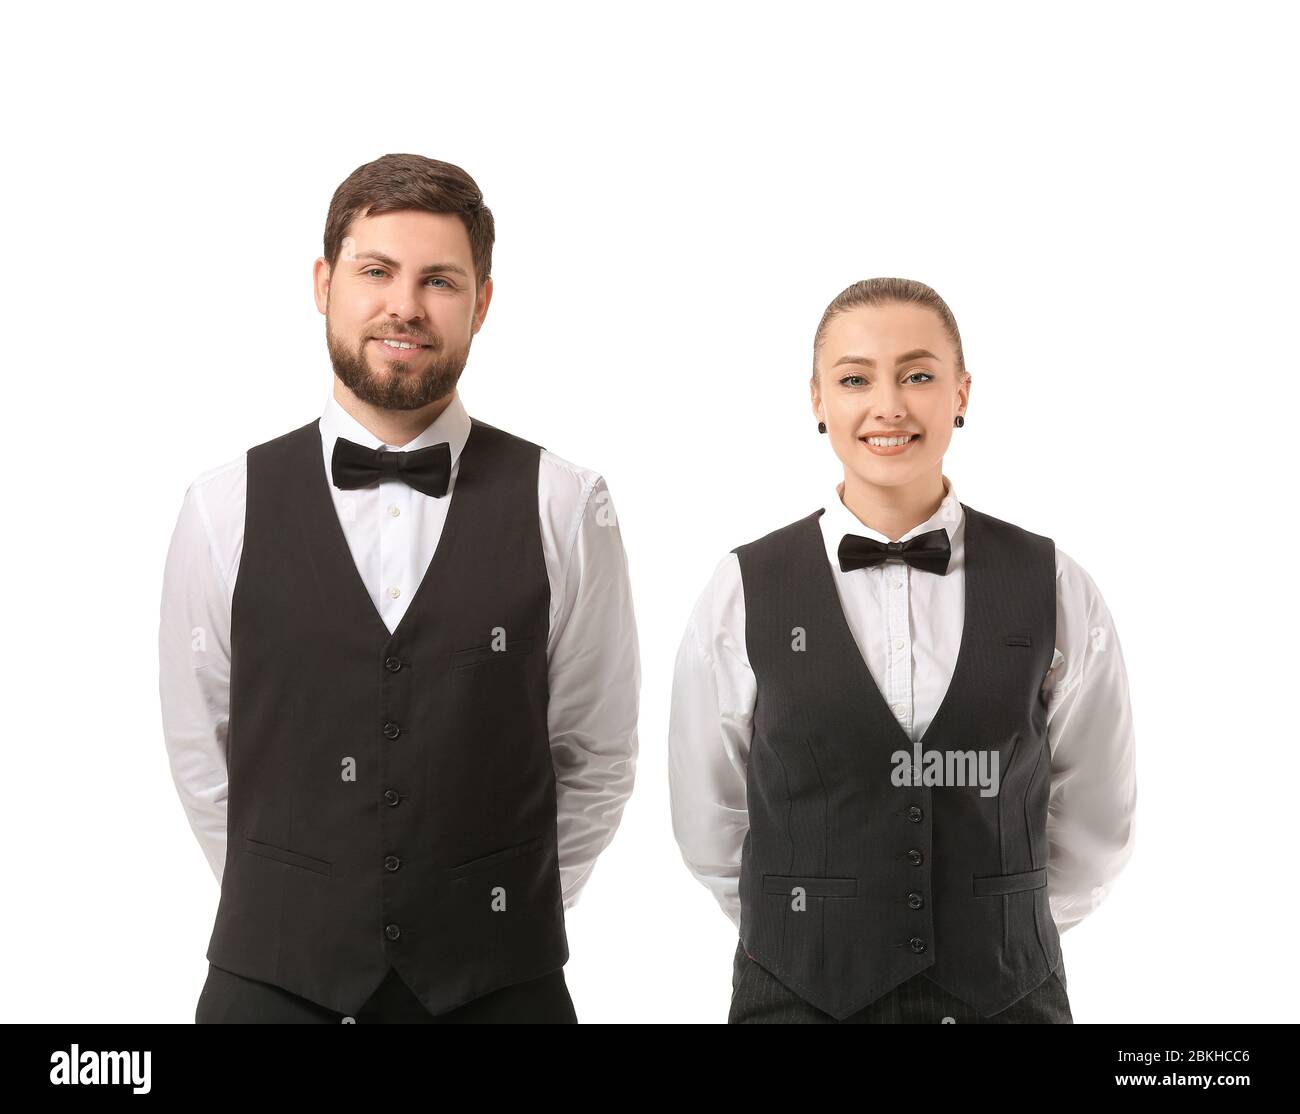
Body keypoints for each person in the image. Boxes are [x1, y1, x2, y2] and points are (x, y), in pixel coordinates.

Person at [159, 153, 640, 1023]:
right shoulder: (219, 505)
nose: (404, 306)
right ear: (323, 283)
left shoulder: (568, 504)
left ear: (482, 304)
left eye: (440, 280)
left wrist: (499, 921)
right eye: (375, 271)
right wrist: (296, 913)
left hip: (503, 987)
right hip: (269, 985)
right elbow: (202, 745)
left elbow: (595, 754)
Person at [668, 277, 1136, 1024]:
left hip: (1008, 995)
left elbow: (1097, 813)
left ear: (962, 393)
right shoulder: (744, 586)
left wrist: (1004, 927)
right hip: (795, 995)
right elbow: (710, 814)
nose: (888, 405)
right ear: (818, 400)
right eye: (855, 379)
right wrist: (806, 932)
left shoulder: (1052, 581)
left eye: (918, 375)